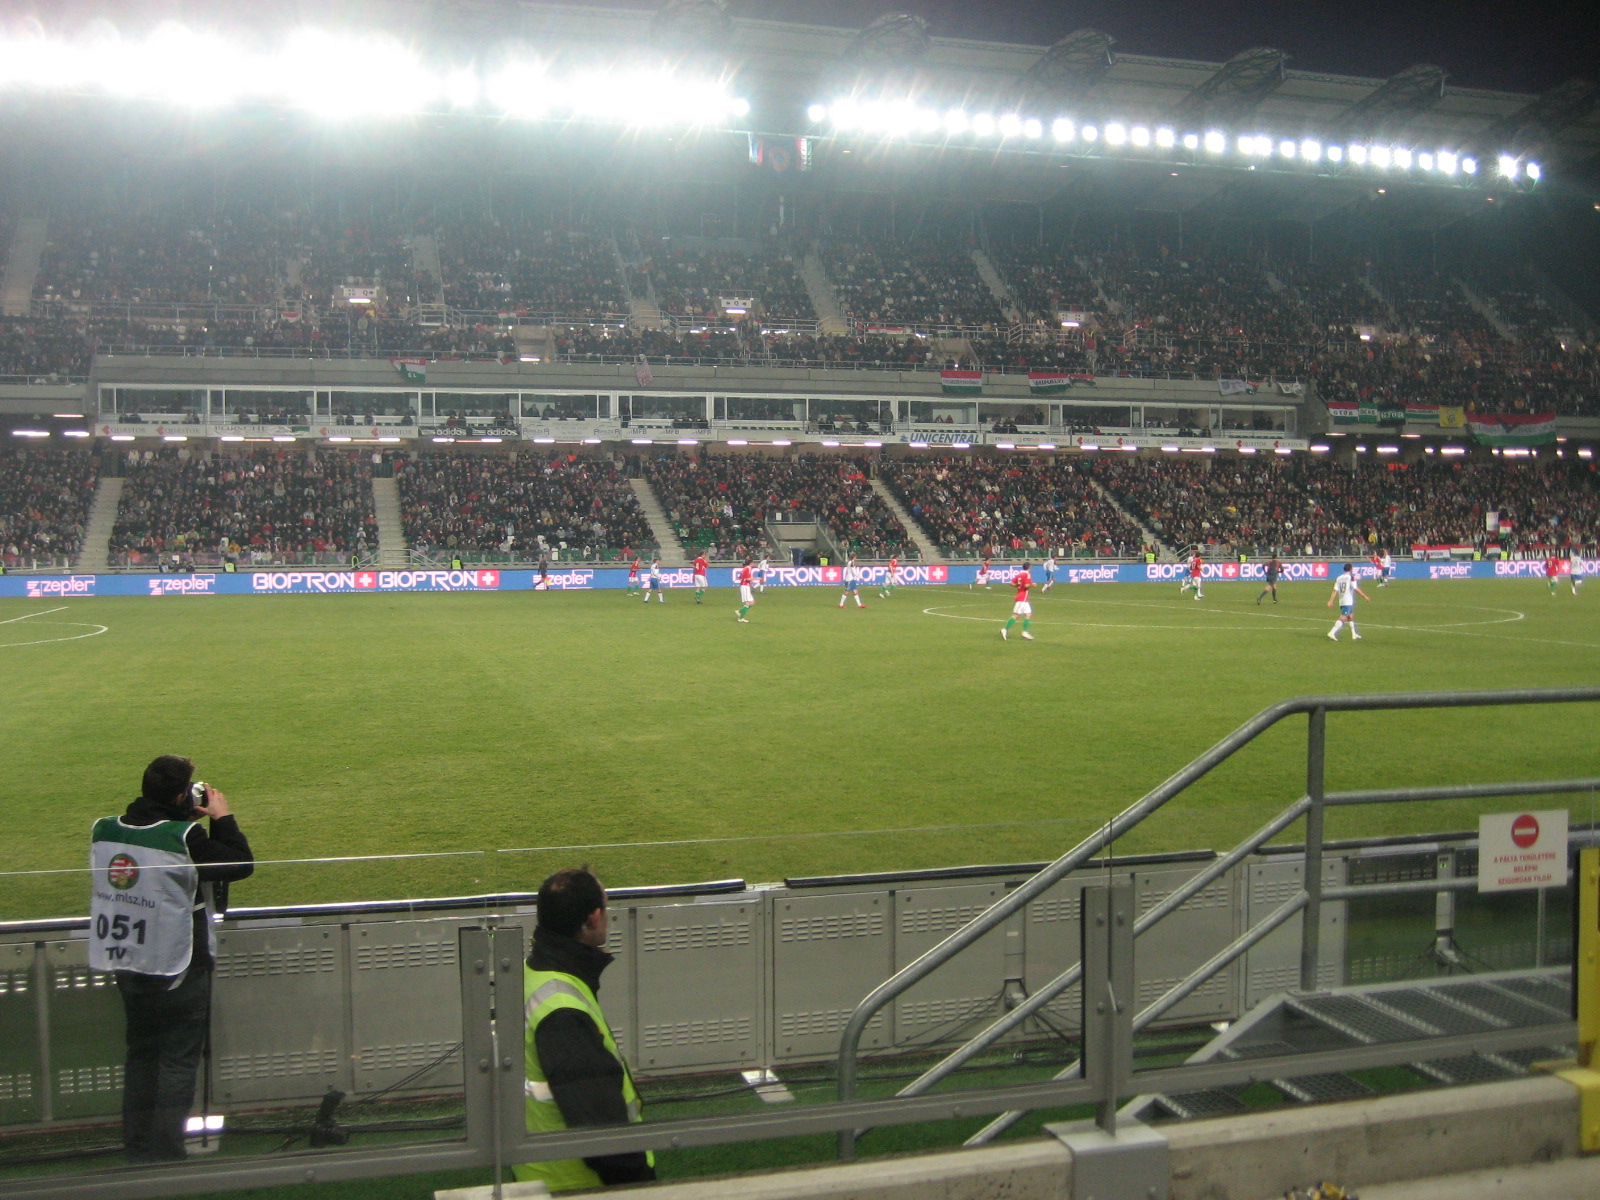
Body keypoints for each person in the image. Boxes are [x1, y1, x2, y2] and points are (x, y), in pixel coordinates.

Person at [89, 755, 254, 1163]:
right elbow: (239, 864)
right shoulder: (185, 838)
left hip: (127, 961)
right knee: (178, 1060)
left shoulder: (105, 829)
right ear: (182, 795)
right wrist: (223, 817)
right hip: (180, 965)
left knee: (141, 1054)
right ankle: (165, 1155)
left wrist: (183, 814)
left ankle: (138, 1148)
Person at [512, 868, 655, 1193]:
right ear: (593, 918)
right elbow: (600, 1128)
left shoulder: (531, 974)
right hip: (582, 1185)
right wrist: (641, 1184)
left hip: (542, 1174)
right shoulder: (563, 1008)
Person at [1327, 563, 1371, 641]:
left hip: (1342, 600)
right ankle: (1332, 632)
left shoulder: (1339, 578)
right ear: (1351, 569)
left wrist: (1331, 600)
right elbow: (1355, 588)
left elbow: (1335, 590)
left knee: (1351, 616)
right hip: (1348, 601)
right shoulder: (1351, 577)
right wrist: (1365, 596)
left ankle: (1354, 634)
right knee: (1343, 617)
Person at [1000, 563, 1034, 641]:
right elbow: (1026, 586)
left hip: (1024, 599)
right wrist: (1033, 585)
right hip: (1022, 598)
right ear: (1029, 567)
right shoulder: (1027, 575)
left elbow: (1011, 583)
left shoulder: (1020, 575)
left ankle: (1025, 632)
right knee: (1016, 615)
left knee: (1028, 614)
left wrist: (1018, 586)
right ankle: (1004, 629)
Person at [736, 558, 755, 623]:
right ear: (751, 563)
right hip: (745, 586)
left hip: (745, 586)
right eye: (753, 563)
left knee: (752, 602)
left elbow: (740, 576)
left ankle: (739, 611)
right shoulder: (748, 569)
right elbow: (748, 579)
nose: (754, 564)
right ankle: (741, 618)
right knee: (748, 603)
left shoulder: (745, 568)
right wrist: (756, 578)